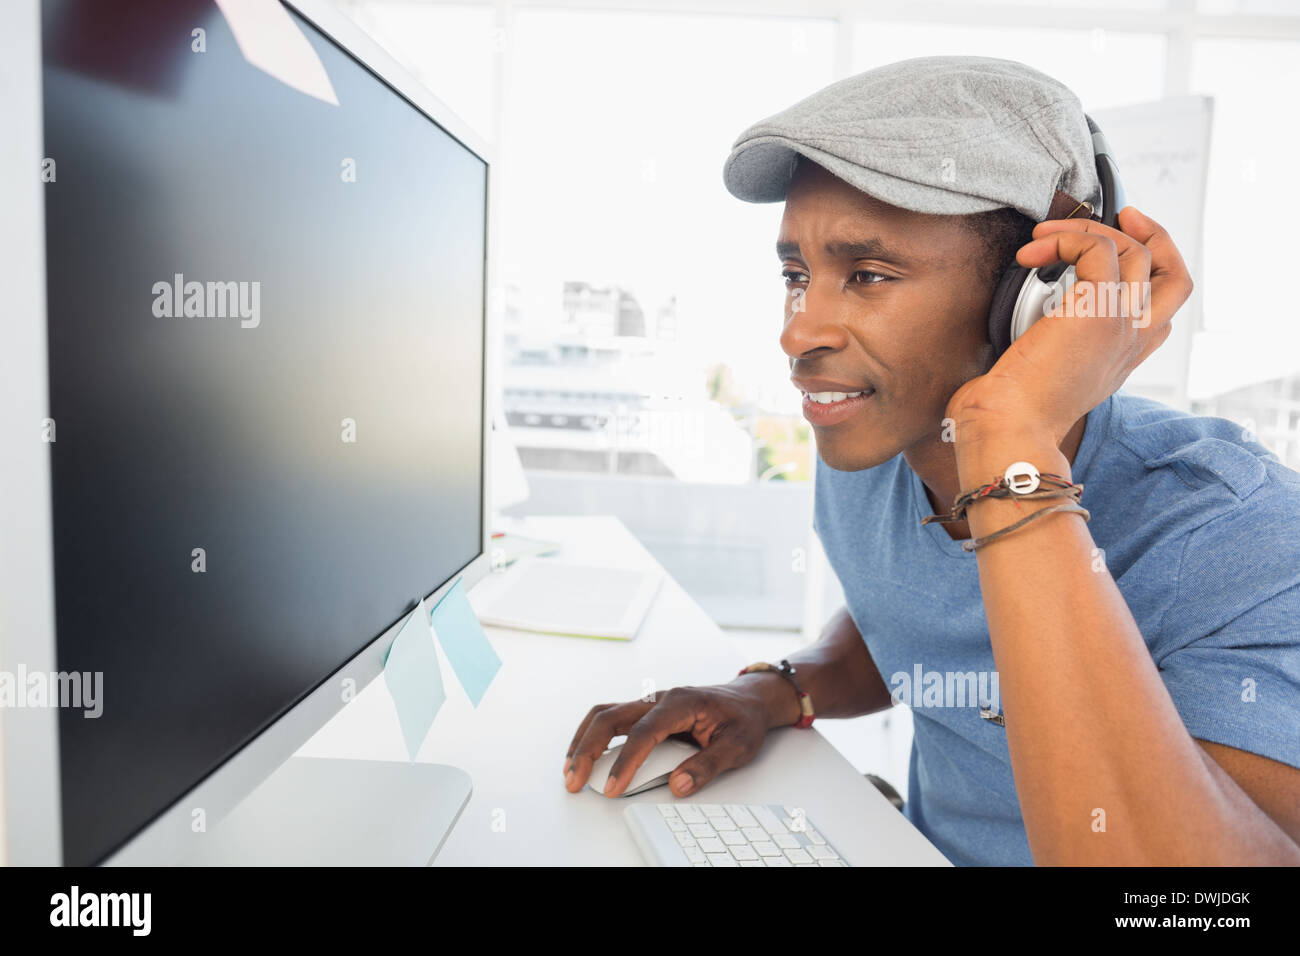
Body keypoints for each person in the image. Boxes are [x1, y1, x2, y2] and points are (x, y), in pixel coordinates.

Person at [562, 56, 1300, 865]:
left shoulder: (1241, 536)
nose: (798, 331)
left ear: (1038, 300)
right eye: (797, 274)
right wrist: (777, 689)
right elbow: (911, 621)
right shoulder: (877, 447)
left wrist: (1009, 441)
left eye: (869, 274)